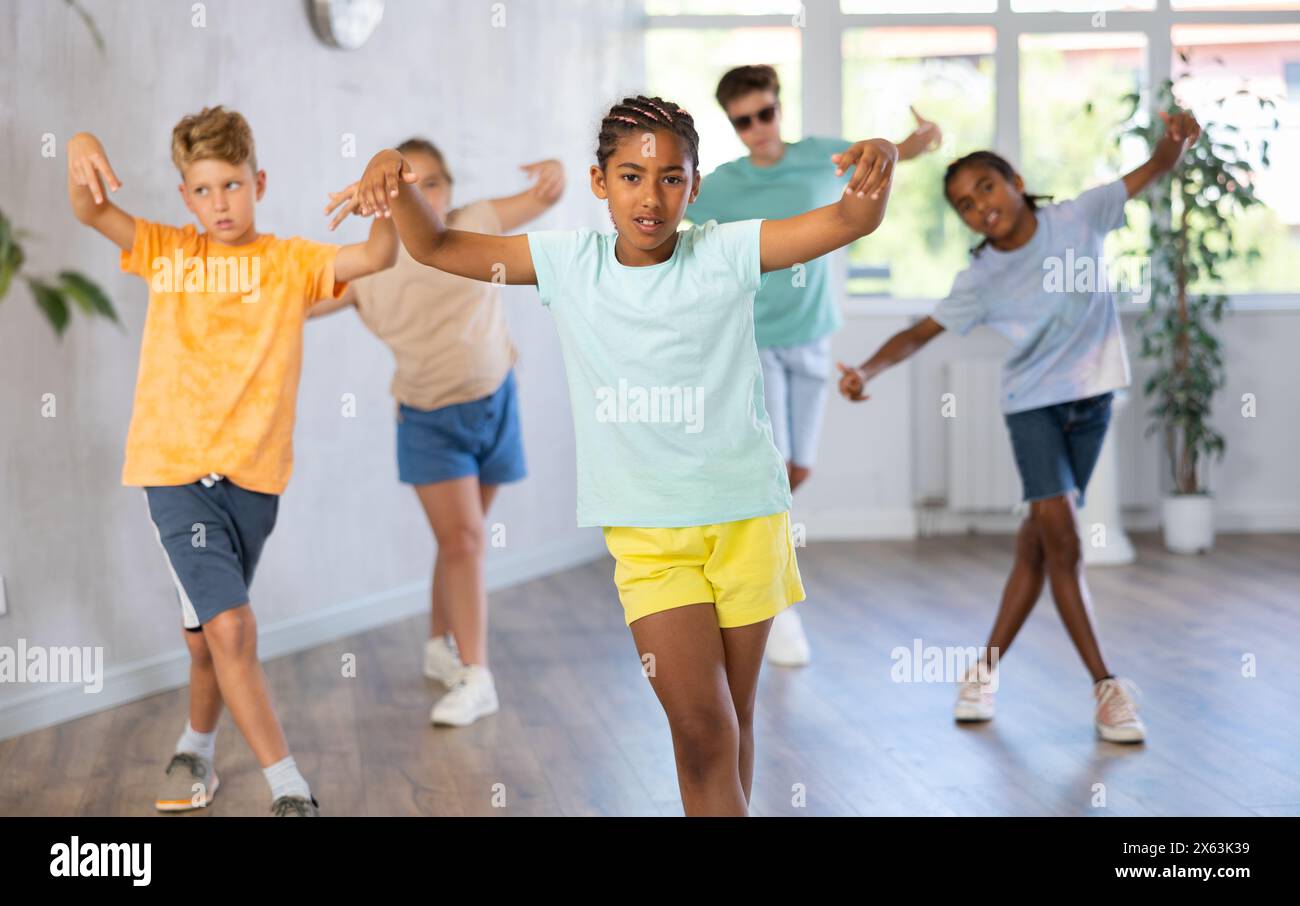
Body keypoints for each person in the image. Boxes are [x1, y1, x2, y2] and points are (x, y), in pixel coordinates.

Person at [337, 94, 897, 814]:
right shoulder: (569, 263)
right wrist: (397, 177)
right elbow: (437, 246)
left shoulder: (727, 249)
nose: (651, 196)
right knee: (701, 728)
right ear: (599, 183)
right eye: (630, 176)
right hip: (648, 535)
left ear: (694, 186)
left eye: (671, 178)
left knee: (734, 721)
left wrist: (878, 159)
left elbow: (853, 218)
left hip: (747, 520)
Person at [66, 105, 398, 814]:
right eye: (205, 189)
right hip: (174, 473)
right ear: (186, 196)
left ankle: (194, 750)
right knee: (233, 629)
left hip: (254, 482)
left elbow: (375, 258)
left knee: (207, 642)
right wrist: (81, 142)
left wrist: (386, 175)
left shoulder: (290, 263)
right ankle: (290, 789)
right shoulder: (168, 252)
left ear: (261, 182)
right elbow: (91, 210)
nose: (221, 203)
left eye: (234, 186)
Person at [838, 110, 1203, 744]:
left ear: (1015, 181)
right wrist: (866, 370)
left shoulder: (1079, 218)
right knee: (1065, 543)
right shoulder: (980, 278)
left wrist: (1174, 140)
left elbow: (1152, 170)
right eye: (963, 205)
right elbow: (918, 332)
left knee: (1036, 549)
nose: (979, 207)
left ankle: (980, 672)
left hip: (1091, 403)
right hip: (1032, 407)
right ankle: (1107, 688)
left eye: (986, 187)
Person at [686, 64, 943, 667]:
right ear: (733, 125)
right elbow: (670, 216)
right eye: (743, 121)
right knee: (772, 470)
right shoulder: (721, 184)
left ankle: (744, 571)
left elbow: (887, 156)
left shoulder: (824, 158)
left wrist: (920, 141)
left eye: (764, 114)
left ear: (779, 107)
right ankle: (772, 607)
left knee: (798, 468)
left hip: (812, 335)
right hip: (754, 338)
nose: (757, 129)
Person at [313, 138, 564, 726]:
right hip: (430, 420)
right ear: (384, 196)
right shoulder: (368, 267)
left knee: (462, 542)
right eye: (405, 184)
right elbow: (286, 303)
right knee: (466, 542)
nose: (418, 195)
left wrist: (554, 172)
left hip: (497, 402)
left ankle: (437, 644)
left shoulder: (474, 223)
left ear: (449, 190)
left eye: (430, 183)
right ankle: (478, 674)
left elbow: (544, 196)